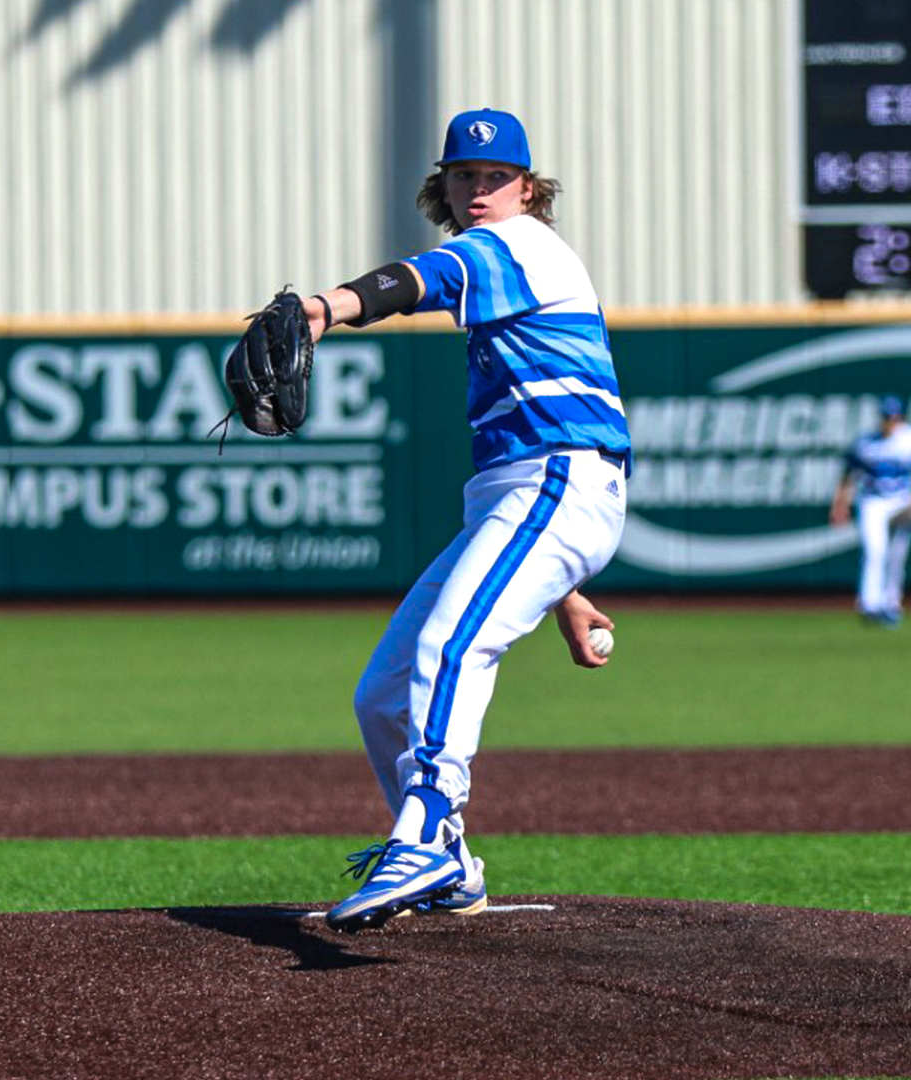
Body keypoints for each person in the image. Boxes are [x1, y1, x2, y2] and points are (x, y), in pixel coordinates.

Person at [289, 108, 629, 930]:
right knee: (385, 694)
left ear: (526, 188)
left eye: (495, 178)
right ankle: (453, 870)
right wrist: (568, 593)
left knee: (451, 643)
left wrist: (326, 308)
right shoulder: (498, 265)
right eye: (464, 177)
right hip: (528, 496)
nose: (479, 190)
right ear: (443, 184)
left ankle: (425, 836)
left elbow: (422, 280)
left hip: (560, 477)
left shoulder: (520, 244)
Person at [828, 395, 911, 627]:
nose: (891, 422)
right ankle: (870, 605)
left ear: (901, 418)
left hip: (901, 500)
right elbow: (848, 474)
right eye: (887, 417)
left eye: (895, 417)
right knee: (875, 550)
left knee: (897, 555)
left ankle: (892, 603)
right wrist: (840, 504)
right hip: (873, 501)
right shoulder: (866, 443)